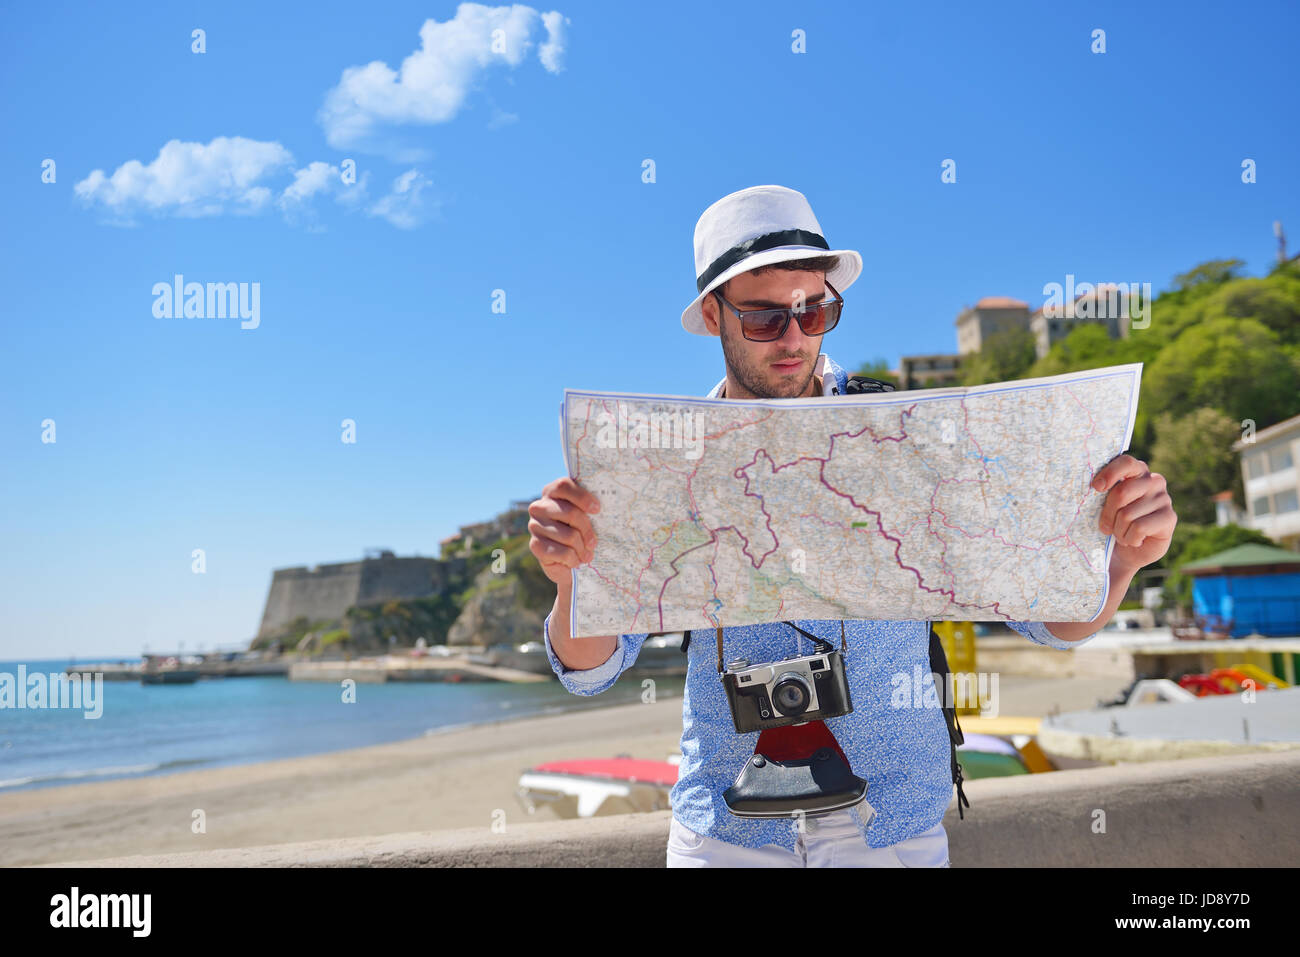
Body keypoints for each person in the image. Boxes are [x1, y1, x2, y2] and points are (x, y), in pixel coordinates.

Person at [526, 185, 1177, 867]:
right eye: (764, 318)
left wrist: (1125, 559)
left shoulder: (909, 437)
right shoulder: (658, 457)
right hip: (724, 825)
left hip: (890, 822)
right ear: (713, 313)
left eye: (815, 311)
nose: (795, 337)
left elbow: (1053, 622)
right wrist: (571, 582)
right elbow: (591, 671)